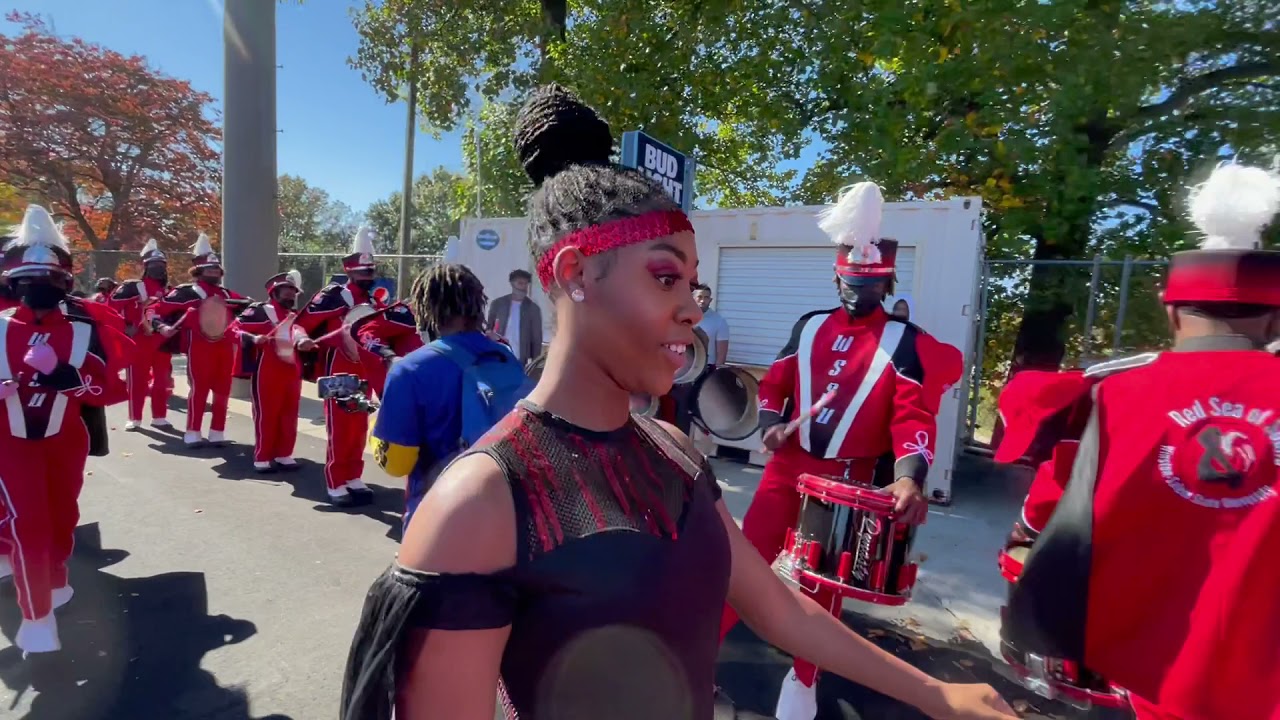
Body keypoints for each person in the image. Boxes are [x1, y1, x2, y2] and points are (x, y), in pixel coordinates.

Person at [339, 84, 1014, 720]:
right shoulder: (482, 501)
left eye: (693, 282)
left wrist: (937, 696)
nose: (692, 308)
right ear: (575, 273)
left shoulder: (675, 453)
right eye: (666, 277)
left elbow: (781, 611)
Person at [994, 161, 1280, 720]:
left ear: (1170, 309)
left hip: (1156, 672)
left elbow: (1054, 509)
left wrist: (1022, 534)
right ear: (1273, 318)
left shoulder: (1117, 395)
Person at [719, 181, 964, 720]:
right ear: (837, 275)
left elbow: (913, 414)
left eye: (871, 282)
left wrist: (908, 476)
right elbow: (774, 385)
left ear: (888, 281)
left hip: (848, 481)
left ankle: (802, 681)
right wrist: (771, 422)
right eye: (852, 280)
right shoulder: (807, 326)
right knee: (741, 564)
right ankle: (694, 657)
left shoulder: (906, 340)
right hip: (787, 470)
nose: (859, 290)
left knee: (824, 585)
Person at [0, 205, 125, 653]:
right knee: (28, 524)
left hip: (64, 441)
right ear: (13, 285)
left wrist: (70, 380)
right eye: (28, 281)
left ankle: (55, 584)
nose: (39, 289)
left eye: (50, 281)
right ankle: (37, 619)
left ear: (65, 285)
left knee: (61, 517)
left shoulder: (80, 331)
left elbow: (114, 392)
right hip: (9, 445)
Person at [371, 263, 521, 532]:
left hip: (437, 520)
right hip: (505, 516)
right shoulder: (504, 356)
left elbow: (395, 463)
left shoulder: (409, 369)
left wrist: (376, 423)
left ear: (427, 309)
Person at [296, 226, 385, 507]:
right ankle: (336, 480)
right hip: (340, 366)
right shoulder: (334, 295)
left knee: (359, 424)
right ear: (350, 271)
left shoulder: (373, 301)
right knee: (340, 424)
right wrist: (301, 341)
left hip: (365, 367)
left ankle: (353, 476)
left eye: (370, 271)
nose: (367, 276)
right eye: (362, 272)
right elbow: (301, 323)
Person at [151, 233, 247, 447]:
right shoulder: (185, 293)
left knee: (223, 391)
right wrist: (163, 327)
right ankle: (193, 431)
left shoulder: (226, 293)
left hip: (225, 347)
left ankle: (217, 431)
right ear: (199, 271)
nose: (214, 272)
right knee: (199, 390)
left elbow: (246, 310)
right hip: (199, 348)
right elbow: (154, 311)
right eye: (209, 269)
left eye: (216, 269)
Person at [230, 271, 316, 473]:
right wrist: (252, 339)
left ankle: (284, 454)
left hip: (291, 371)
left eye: (293, 291)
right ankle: (262, 456)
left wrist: (304, 341)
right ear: (274, 292)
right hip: (266, 370)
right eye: (286, 290)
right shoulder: (259, 311)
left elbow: (298, 332)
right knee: (267, 414)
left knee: (289, 413)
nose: (290, 295)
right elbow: (232, 331)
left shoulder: (293, 316)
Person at [108, 239, 174, 430]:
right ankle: (134, 417)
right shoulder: (132, 287)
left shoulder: (168, 290)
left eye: (162, 265)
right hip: (139, 341)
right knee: (137, 380)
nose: (159, 269)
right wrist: (124, 326)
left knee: (162, 379)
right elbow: (110, 308)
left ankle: (159, 416)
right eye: (154, 265)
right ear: (146, 267)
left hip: (162, 341)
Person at [485, 268, 544, 366]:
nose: (524, 287)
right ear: (512, 284)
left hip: (520, 358)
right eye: (520, 283)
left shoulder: (533, 308)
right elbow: (488, 330)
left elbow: (537, 338)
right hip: (498, 355)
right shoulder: (498, 304)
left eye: (526, 284)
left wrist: (535, 363)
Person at [693, 283, 730, 365]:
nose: (702, 301)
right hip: (686, 370)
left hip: (706, 368)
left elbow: (721, 354)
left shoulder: (719, 321)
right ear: (693, 298)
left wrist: (715, 372)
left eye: (706, 297)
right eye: (699, 297)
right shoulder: (684, 319)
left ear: (710, 300)